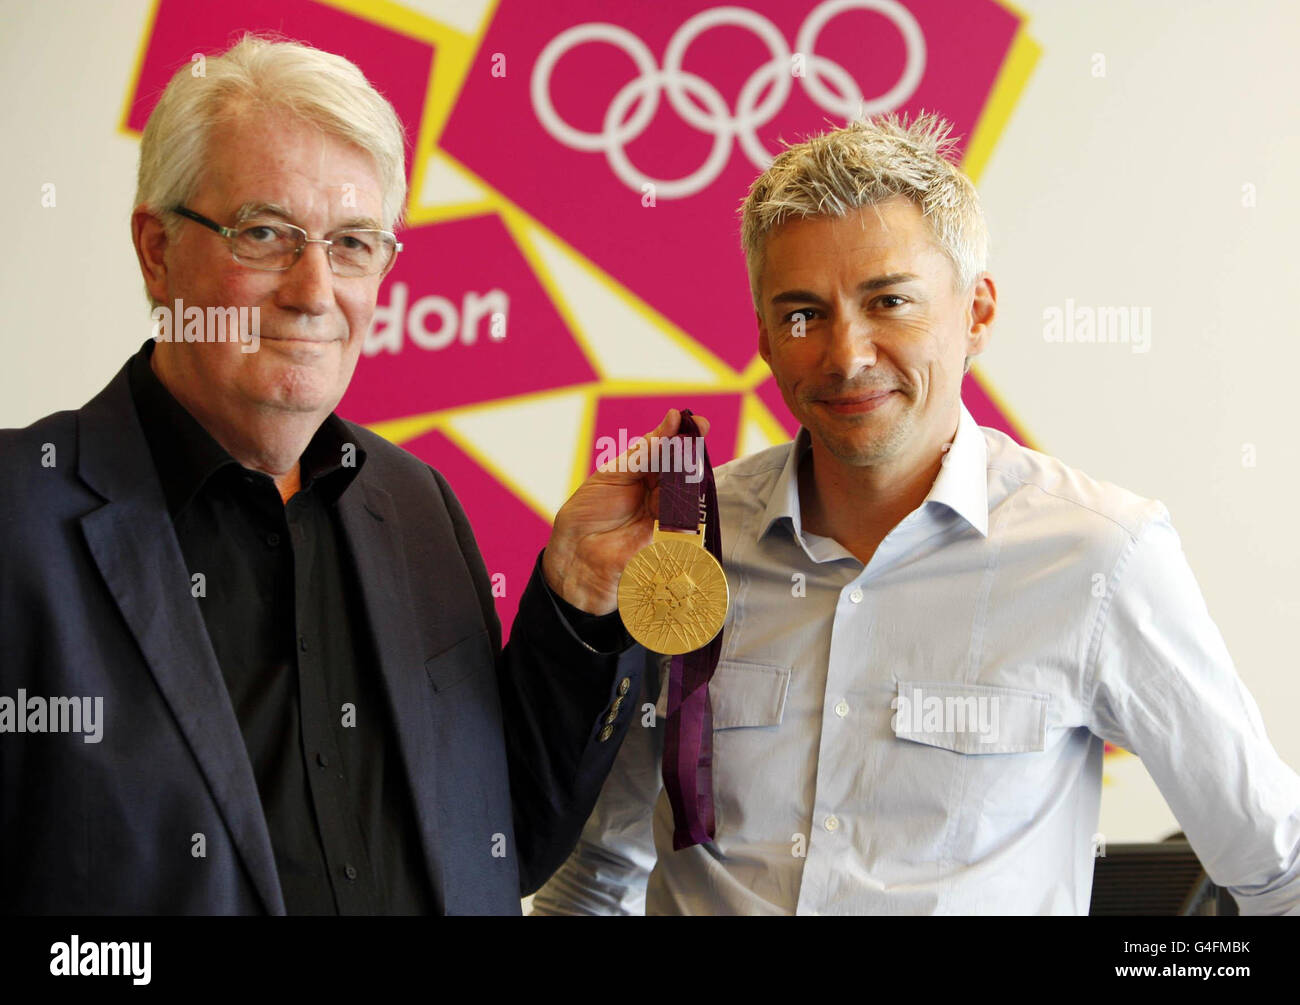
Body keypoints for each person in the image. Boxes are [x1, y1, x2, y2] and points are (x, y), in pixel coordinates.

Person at [531, 113, 1300, 915]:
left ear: (977, 315)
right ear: (763, 337)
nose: (847, 354)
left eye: (889, 301)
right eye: (803, 314)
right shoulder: (688, 543)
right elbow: (593, 877)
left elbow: (1279, 875)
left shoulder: (1099, 556)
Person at [0, 34, 692, 915]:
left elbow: (501, 837)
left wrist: (579, 598)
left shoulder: (414, 503)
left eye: (355, 242)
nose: (315, 289)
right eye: (265, 233)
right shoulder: (21, 512)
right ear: (157, 250)